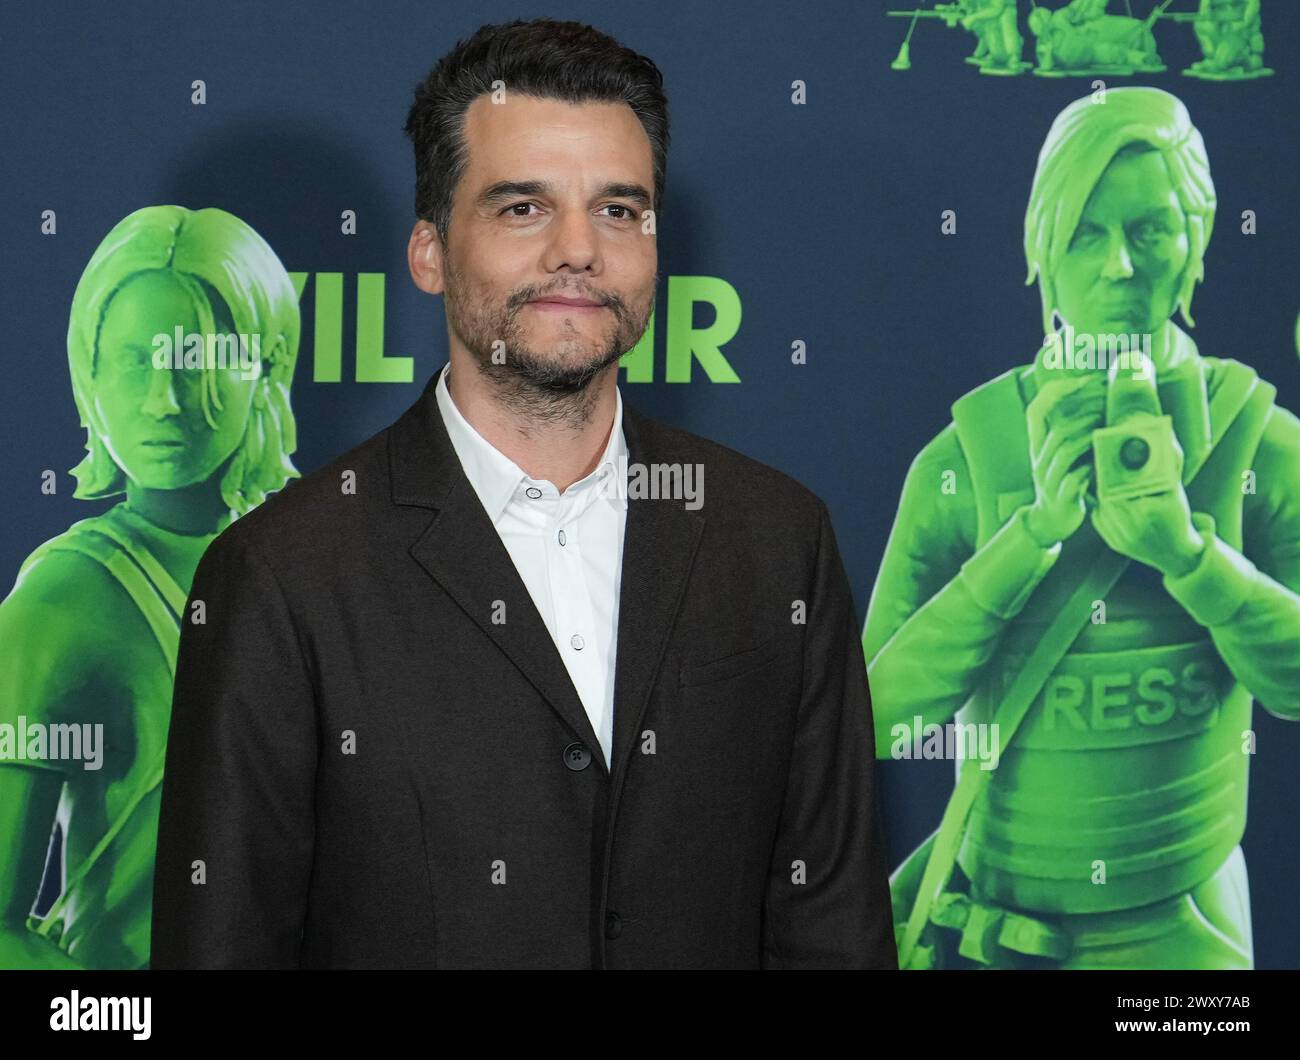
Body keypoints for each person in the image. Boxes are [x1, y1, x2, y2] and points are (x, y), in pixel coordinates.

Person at [150, 17, 896, 970]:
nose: (579, 249)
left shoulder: (775, 538)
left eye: (619, 210)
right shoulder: (282, 575)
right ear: (428, 252)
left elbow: (835, 934)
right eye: (523, 208)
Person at [864, 87, 1300, 969]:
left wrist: (1191, 557)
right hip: (997, 929)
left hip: (1185, 929)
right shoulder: (966, 459)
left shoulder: (1262, 443)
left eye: (1150, 230)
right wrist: (1028, 539)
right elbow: (874, 718)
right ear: (1042, 249)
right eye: (1085, 234)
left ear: (1197, 242)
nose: (1119, 268)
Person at [0, 206, 300, 968]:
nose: (163, 399)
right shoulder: (63, 599)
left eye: (195, 358)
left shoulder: (326, 570)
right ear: (87, 375)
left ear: (262, 366)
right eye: (134, 359)